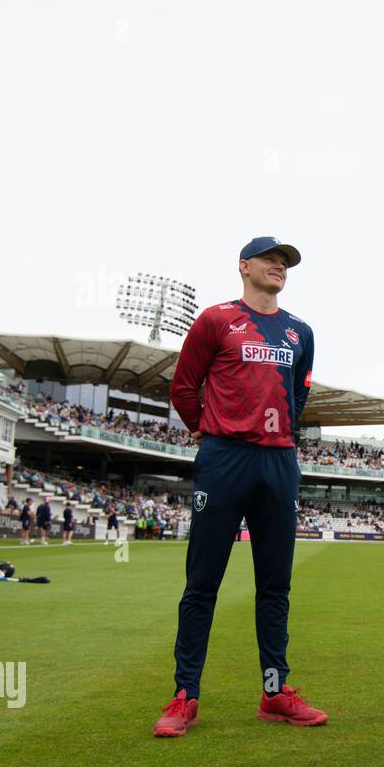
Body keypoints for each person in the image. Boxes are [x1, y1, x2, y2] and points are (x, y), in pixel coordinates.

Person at [152, 236, 327, 738]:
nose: (279, 267)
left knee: (275, 586)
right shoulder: (215, 320)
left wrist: (280, 435)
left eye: (286, 262)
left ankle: (275, 692)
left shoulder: (300, 332)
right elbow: (184, 387)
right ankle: (185, 696)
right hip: (224, 459)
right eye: (271, 259)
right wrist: (206, 428)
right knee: (202, 584)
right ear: (244, 266)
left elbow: (299, 396)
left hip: (278, 463)